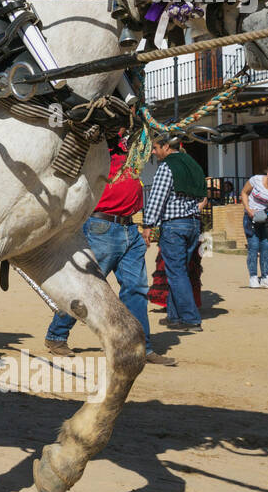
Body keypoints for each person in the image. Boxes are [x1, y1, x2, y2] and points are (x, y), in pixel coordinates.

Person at [44, 132, 173, 364]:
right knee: (87, 289)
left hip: (129, 228)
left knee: (136, 289)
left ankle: (142, 347)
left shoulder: (132, 153)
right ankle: (56, 335)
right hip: (101, 226)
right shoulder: (103, 148)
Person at [141, 133, 206, 331]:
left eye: (155, 147)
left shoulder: (166, 166)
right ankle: (174, 316)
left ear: (166, 147)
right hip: (193, 223)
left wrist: (148, 225)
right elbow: (203, 194)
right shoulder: (192, 164)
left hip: (174, 225)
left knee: (176, 273)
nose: (153, 151)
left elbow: (157, 198)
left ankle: (190, 319)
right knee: (180, 272)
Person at [240, 161, 268, 288]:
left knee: (266, 246)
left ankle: (265, 276)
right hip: (251, 217)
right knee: (253, 246)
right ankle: (253, 276)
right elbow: (244, 193)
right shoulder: (256, 180)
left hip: (267, 219)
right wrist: (249, 209)